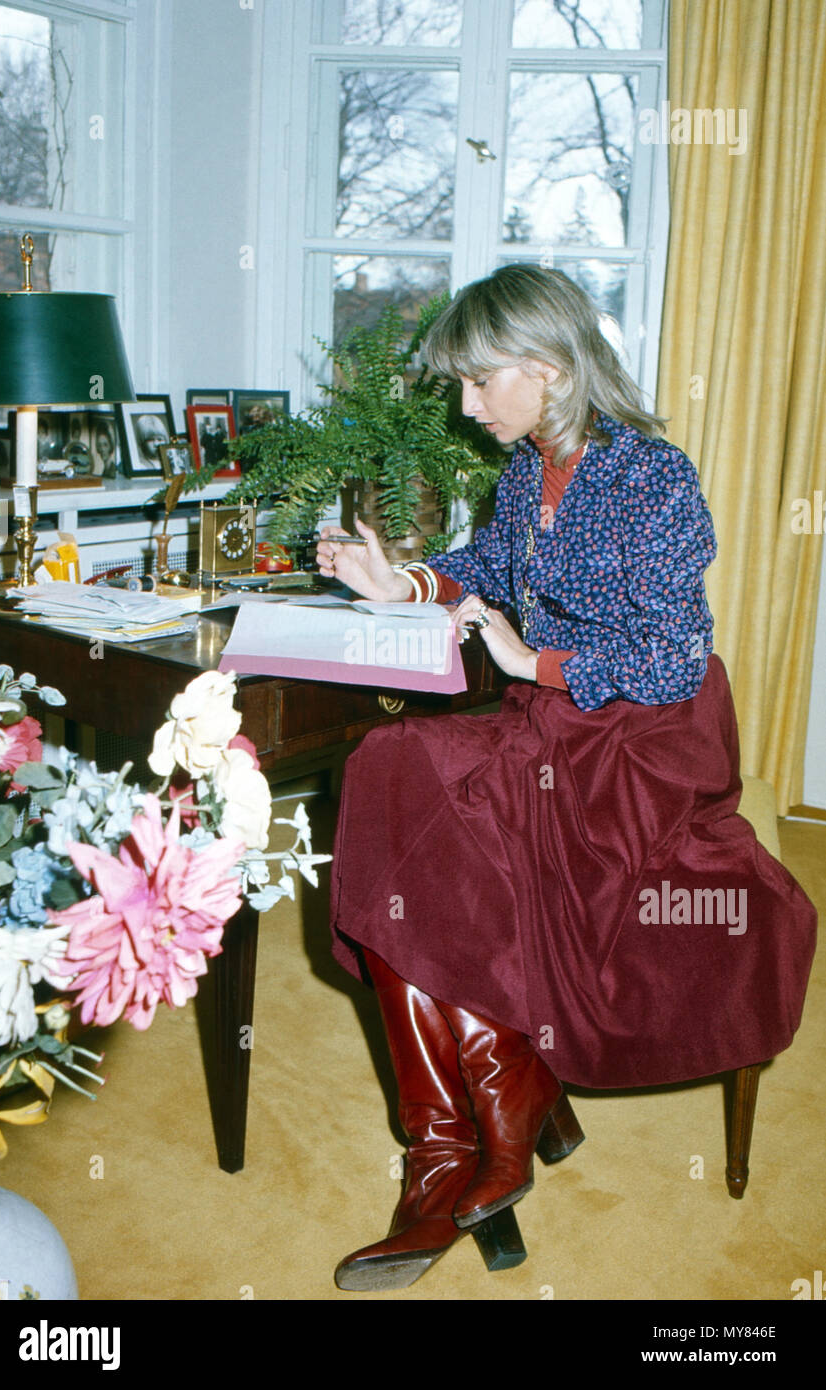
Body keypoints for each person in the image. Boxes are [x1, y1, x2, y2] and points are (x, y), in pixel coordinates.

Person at [317, 264, 817, 1293]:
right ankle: (462, 1134)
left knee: (418, 785)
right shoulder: (522, 473)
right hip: (549, 728)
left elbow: (673, 657)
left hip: (639, 740)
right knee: (387, 770)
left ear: (543, 372)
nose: (463, 405)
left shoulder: (653, 478)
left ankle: (467, 1140)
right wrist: (400, 581)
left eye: (475, 382)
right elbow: (489, 567)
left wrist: (529, 662)